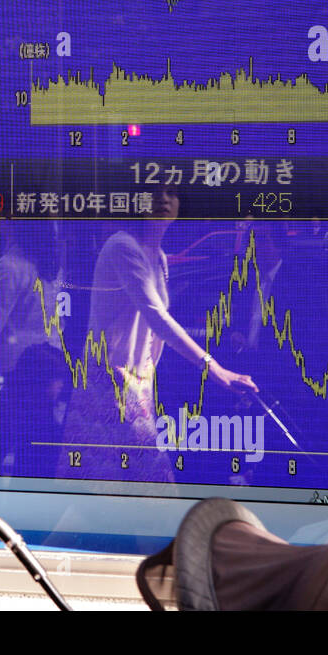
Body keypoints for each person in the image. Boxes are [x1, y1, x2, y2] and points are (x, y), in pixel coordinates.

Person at [62, 183, 258, 479]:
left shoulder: (159, 257)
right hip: (109, 380)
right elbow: (157, 317)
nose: (165, 199)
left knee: (105, 482)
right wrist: (216, 369)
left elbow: (154, 330)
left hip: (136, 383)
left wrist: (147, 382)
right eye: (156, 191)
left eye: (172, 193)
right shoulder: (122, 246)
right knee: (148, 480)